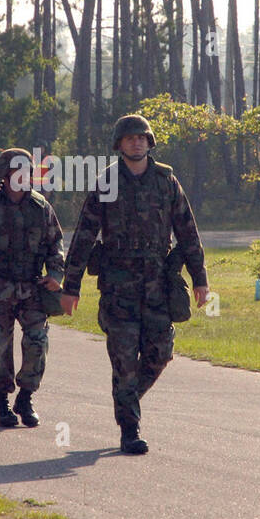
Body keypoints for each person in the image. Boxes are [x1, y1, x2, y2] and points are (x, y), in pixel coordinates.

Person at [61, 115, 210, 454]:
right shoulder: (107, 182)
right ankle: (130, 427)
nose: (136, 142)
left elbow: (187, 231)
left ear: (150, 141)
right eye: (129, 138)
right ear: (119, 144)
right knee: (124, 359)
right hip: (118, 287)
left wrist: (200, 279)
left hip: (158, 285)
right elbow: (84, 235)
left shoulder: (166, 180)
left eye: (142, 137)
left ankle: (125, 401)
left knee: (160, 353)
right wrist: (71, 287)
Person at [0, 148, 65, 428]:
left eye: (27, 171)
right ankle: (2, 403)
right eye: (17, 171)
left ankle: (25, 396)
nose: (24, 177)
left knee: (37, 341)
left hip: (31, 288)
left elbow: (55, 243)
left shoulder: (41, 207)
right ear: (5, 174)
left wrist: (56, 273)